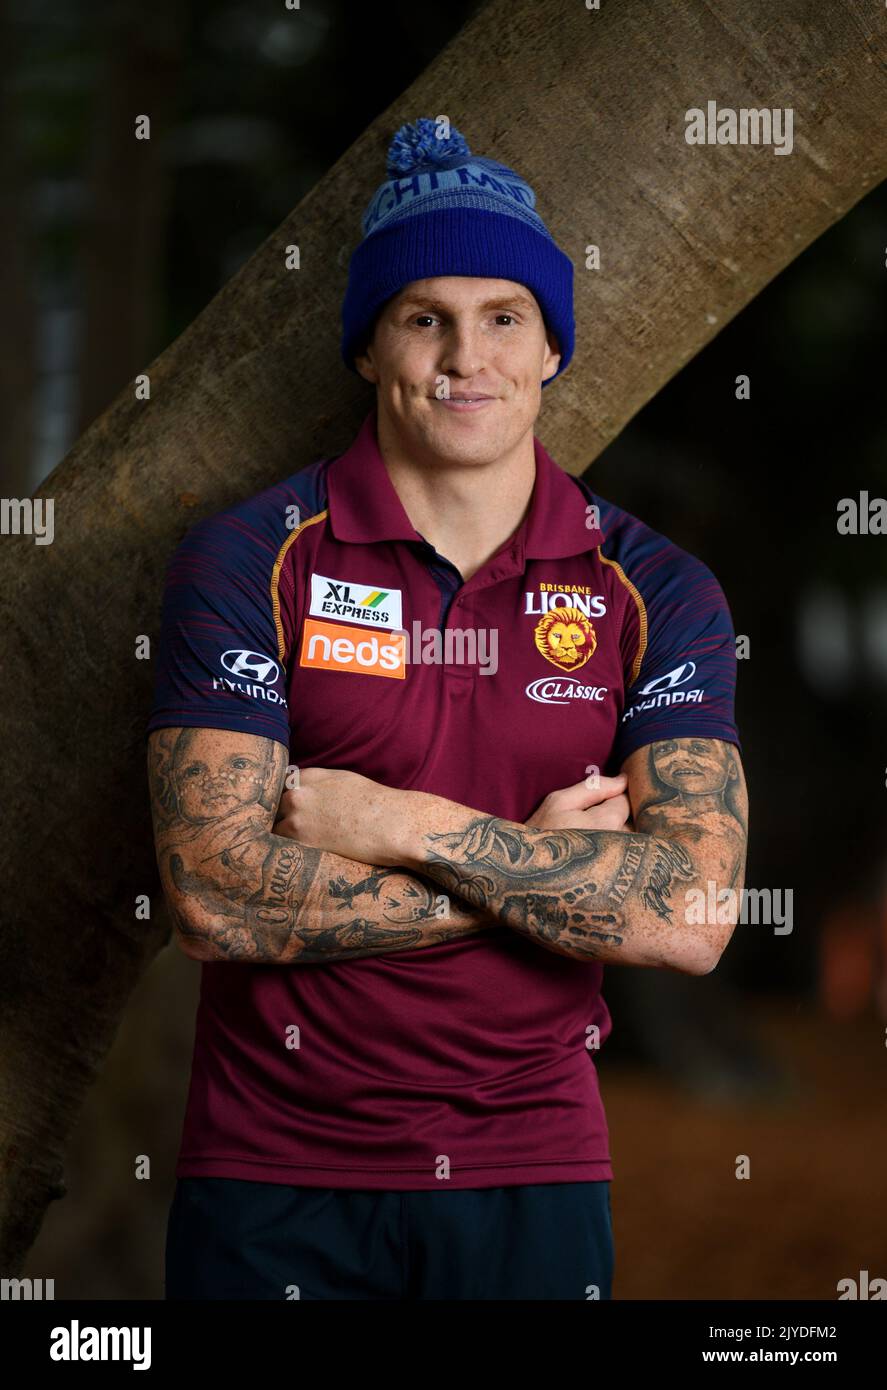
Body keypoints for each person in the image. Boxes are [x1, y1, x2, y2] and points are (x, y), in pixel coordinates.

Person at [146, 117, 748, 1301]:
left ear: (552, 349)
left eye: (503, 316)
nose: (465, 356)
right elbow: (214, 896)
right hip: (273, 1179)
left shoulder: (653, 588)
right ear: (370, 348)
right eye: (424, 316)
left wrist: (397, 822)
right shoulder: (246, 560)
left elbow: (691, 909)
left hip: (533, 1170)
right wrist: (551, 874)